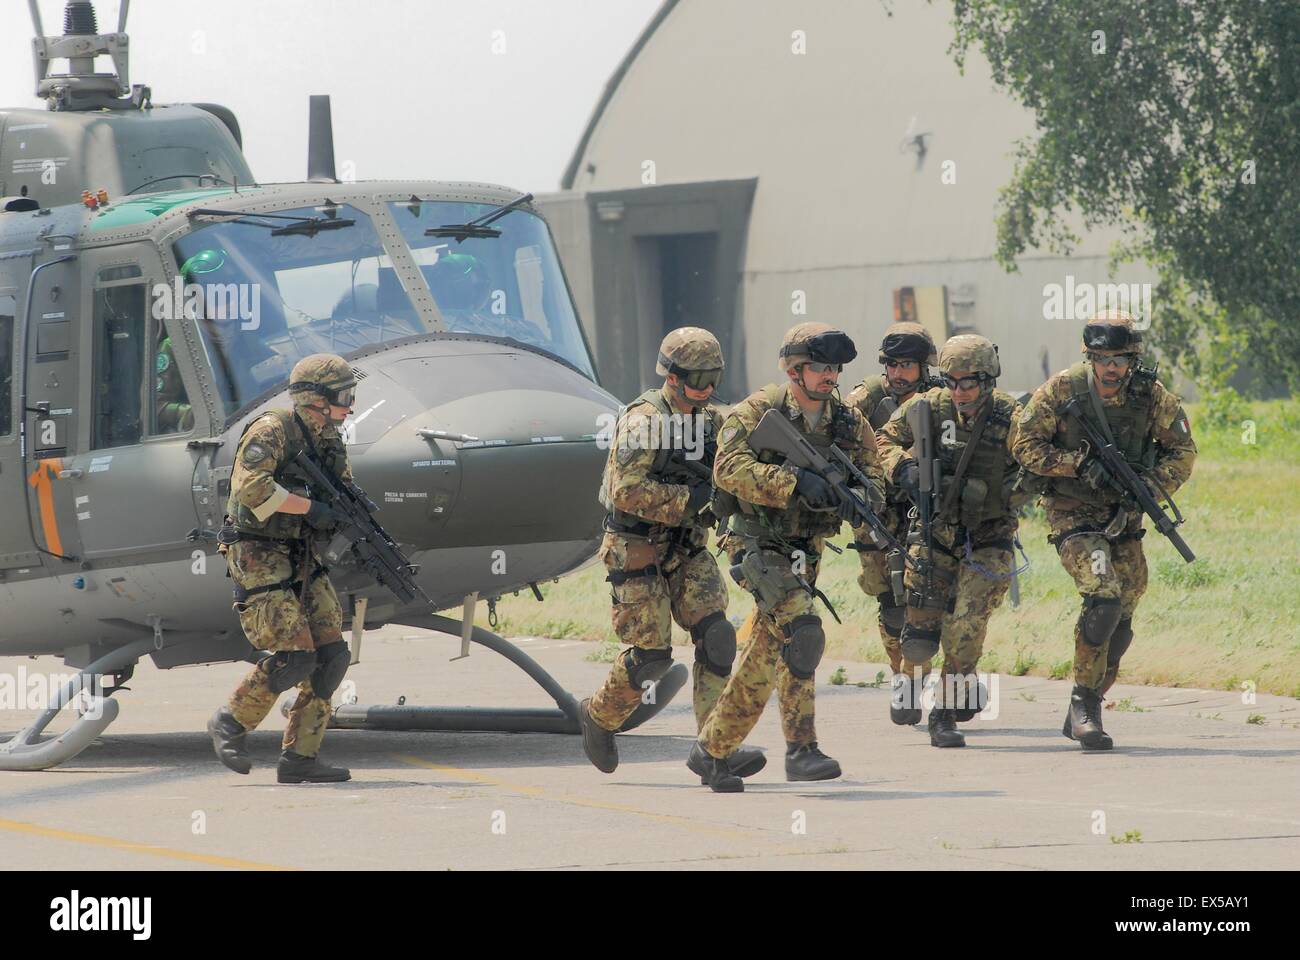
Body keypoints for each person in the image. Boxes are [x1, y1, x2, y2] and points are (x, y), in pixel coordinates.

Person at [688, 322, 885, 792]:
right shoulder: (759, 411)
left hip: (805, 549)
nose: (830, 376)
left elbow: (876, 481)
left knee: (775, 645)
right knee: (802, 628)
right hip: (755, 542)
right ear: (794, 370)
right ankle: (798, 748)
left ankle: (717, 750)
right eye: (819, 367)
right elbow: (728, 468)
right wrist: (795, 482)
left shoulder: (848, 421)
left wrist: (854, 495)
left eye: (835, 368)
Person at [579, 328, 764, 780]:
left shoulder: (710, 421)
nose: (706, 387)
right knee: (652, 656)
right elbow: (623, 491)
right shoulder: (644, 421)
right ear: (673, 377)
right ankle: (599, 718)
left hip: (686, 546)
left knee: (717, 636)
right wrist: (690, 499)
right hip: (637, 547)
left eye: (713, 376)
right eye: (698, 377)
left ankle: (713, 750)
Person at [1011, 310, 1196, 750]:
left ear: (1132, 359)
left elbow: (1183, 452)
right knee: (1104, 599)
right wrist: (1076, 465)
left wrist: (1148, 487)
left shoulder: (1151, 397)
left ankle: (1088, 698)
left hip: (1124, 517)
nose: (1110, 367)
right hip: (1073, 513)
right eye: (1101, 357)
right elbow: (1023, 444)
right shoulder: (1062, 390)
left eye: (1119, 358)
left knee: (1125, 614)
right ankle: (1084, 707)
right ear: (1088, 356)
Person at [207, 353, 359, 782]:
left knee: (332, 657)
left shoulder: (329, 439)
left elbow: (343, 489)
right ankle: (230, 723)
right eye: (344, 396)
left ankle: (300, 759)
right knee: (296, 658)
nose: (350, 405)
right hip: (257, 551)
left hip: (300, 551)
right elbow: (252, 489)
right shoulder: (273, 430)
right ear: (316, 398)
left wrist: (353, 524)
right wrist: (313, 509)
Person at [876, 334, 1030, 748]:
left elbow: (1038, 462)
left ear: (989, 380)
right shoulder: (926, 407)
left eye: (969, 383)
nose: (960, 392)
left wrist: (1013, 493)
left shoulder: (1011, 417)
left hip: (989, 537)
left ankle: (944, 713)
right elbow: (882, 441)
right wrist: (902, 469)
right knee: (921, 636)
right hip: (934, 533)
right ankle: (911, 685)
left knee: (966, 624)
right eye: (952, 381)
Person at [844, 322, 939, 723]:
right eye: (892, 365)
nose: (898, 374)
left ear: (924, 367)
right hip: (877, 511)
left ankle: (927, 680)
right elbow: (837, 437)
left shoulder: (939, 399)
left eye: (907, 366)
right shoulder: (866, 397)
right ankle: (905, 680)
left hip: (925, 510)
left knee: (927, 599)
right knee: (891, 603)